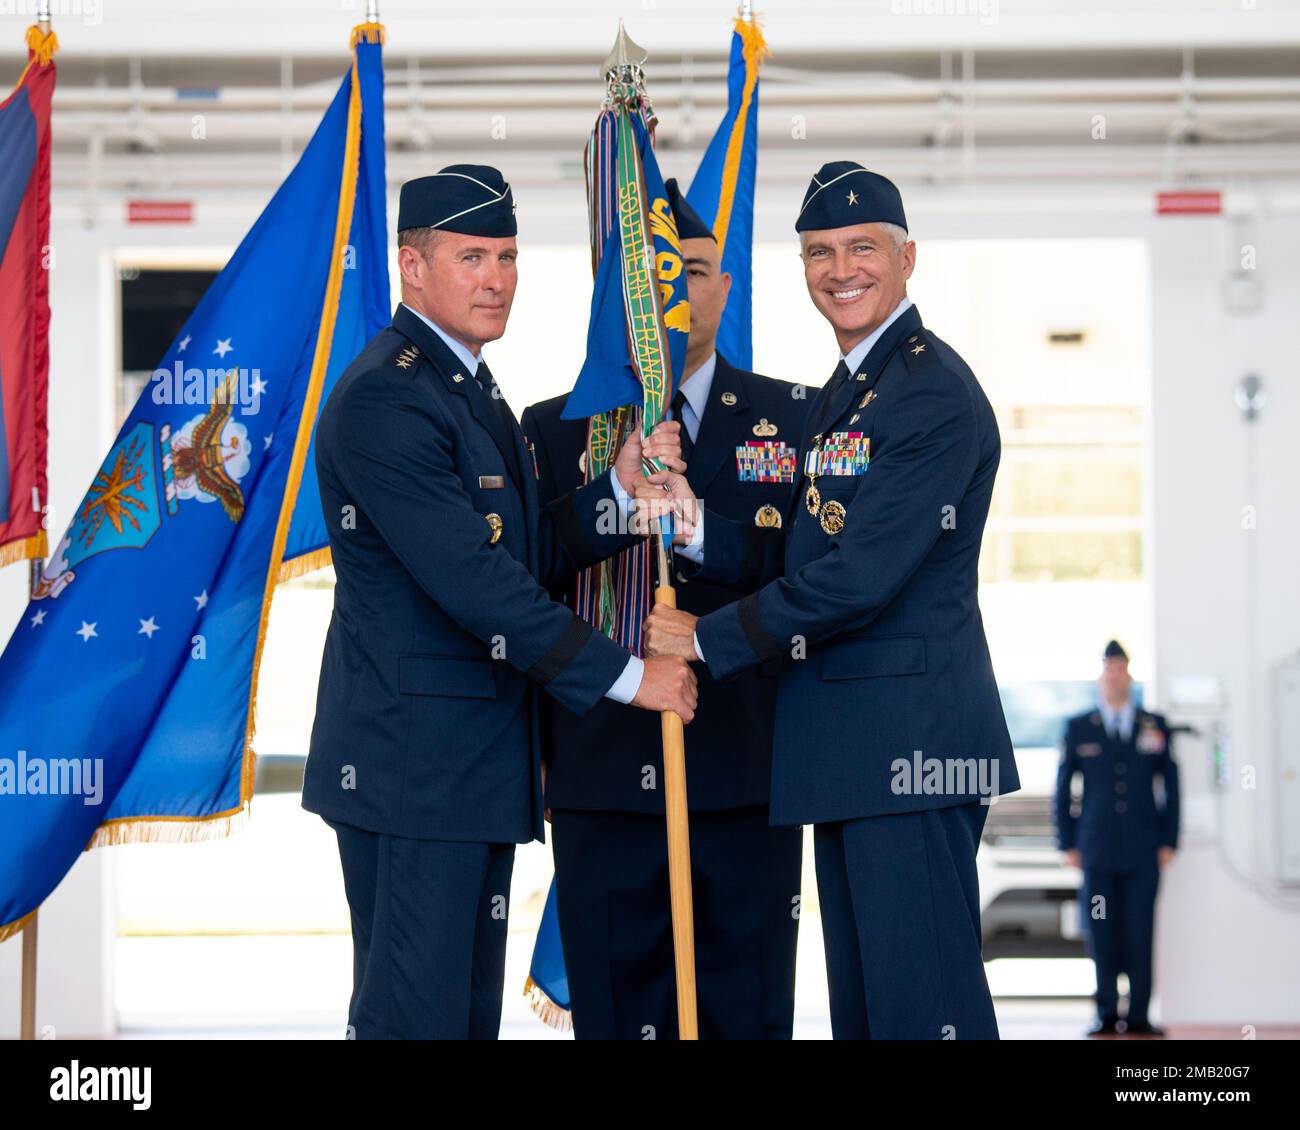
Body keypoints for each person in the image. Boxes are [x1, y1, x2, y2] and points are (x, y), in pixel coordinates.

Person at [301, 165, 697, 1039]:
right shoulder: (388, 398)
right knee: (417, 1022)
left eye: (509, 256)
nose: (496, 277)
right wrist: (633, 679)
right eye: (471, 255)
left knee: (461, 1024)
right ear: (412, 265)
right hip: (413, 773)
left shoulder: (467, 389)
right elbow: (477, 587)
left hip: (467, 774)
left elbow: (522, 557)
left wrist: (621, 495)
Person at [640, 160, 1020, 1039]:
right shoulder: (853, 384)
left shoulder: (927, 393)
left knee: (922, 1009)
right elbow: (812, 543)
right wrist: (698, 529)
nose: (840, 269)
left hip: (910, 748)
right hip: (855, 747)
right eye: (819, 252)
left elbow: (862, 576)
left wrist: (706, 638)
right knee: (872, 1011)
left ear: (907, 258)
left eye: (862, 248)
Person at [520, 181, 807, 1040]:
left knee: (747, 1018)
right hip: (602, 779)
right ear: (625, 298)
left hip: (745, 779)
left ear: (727, 287)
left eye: (700, 269)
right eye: (657, 274)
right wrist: (617, 497)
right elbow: (529, 573)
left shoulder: (792, 420)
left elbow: (809, 577)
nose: (680, 287)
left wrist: (696, 528)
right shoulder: (554, 431)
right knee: (617, 1021)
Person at [1055, 640, 1179, 1038]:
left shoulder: (1153, 725)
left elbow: (1171, 785)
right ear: (1100, 676)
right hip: (1097, 851)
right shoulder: (1079, 728)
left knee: (1140, 929)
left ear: (1129, 674)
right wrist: (1067, 842)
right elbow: (1063, 789)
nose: (1114, 676)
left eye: (1121, 669)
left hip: (1144, 850)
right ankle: (1106, 1010)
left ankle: (1139, 1014)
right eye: (1109, 669)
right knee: (1102, 928)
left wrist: (1168, 839)